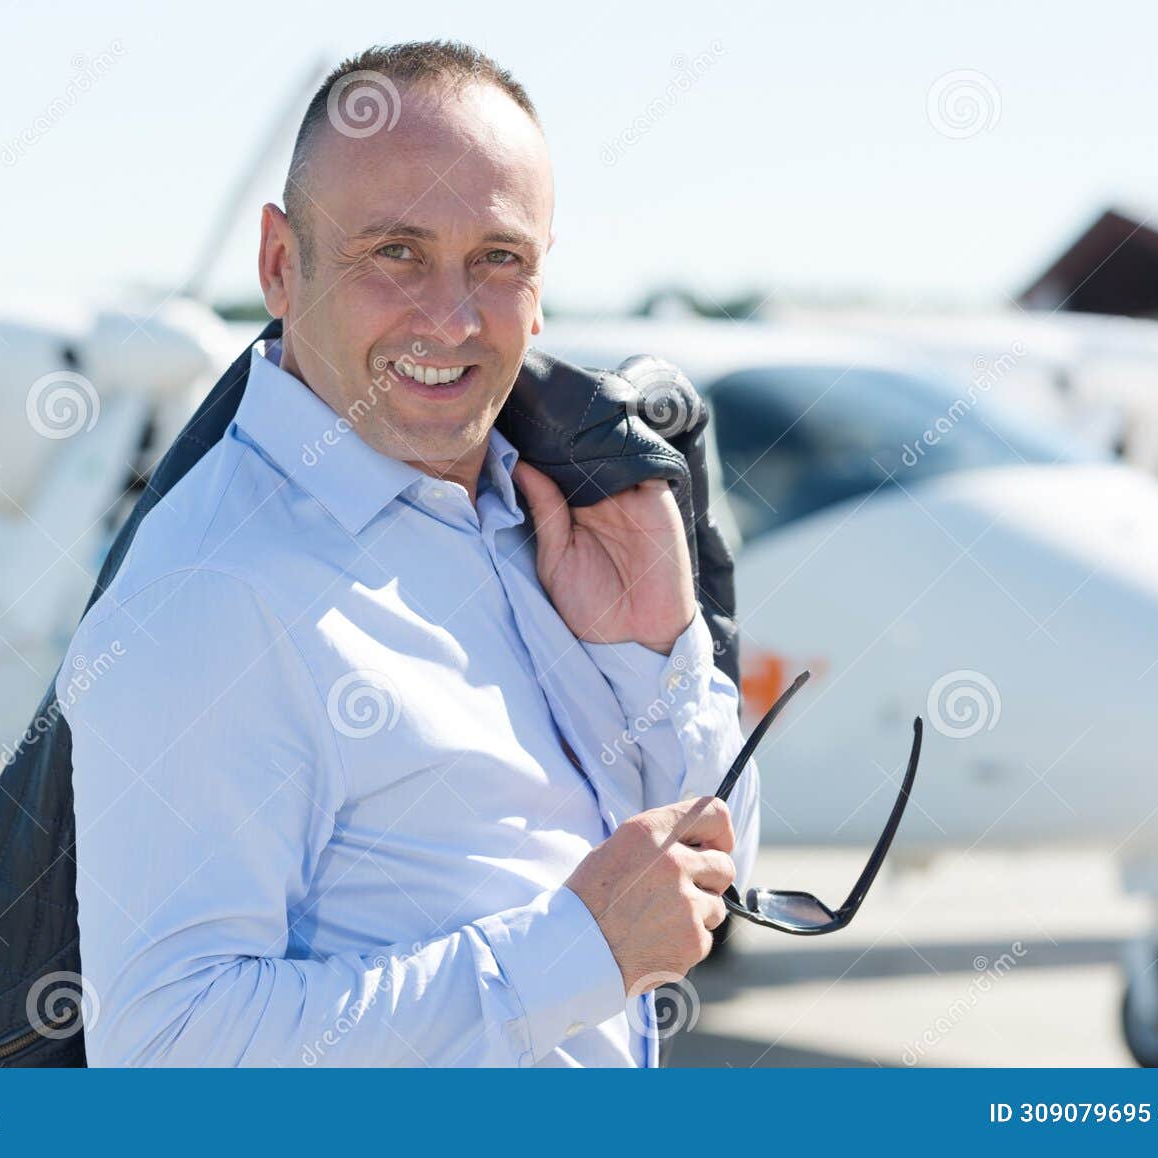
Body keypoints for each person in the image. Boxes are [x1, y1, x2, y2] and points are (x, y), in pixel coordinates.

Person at [57, 39, 757, 1068]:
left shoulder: (543, 521)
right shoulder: (217, 589)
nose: (454, 316)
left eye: (498, 258)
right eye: (395, 251)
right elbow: (168, 1051)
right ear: (279, 266)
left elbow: (707, 874)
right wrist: (574, 953)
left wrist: (650, 646)